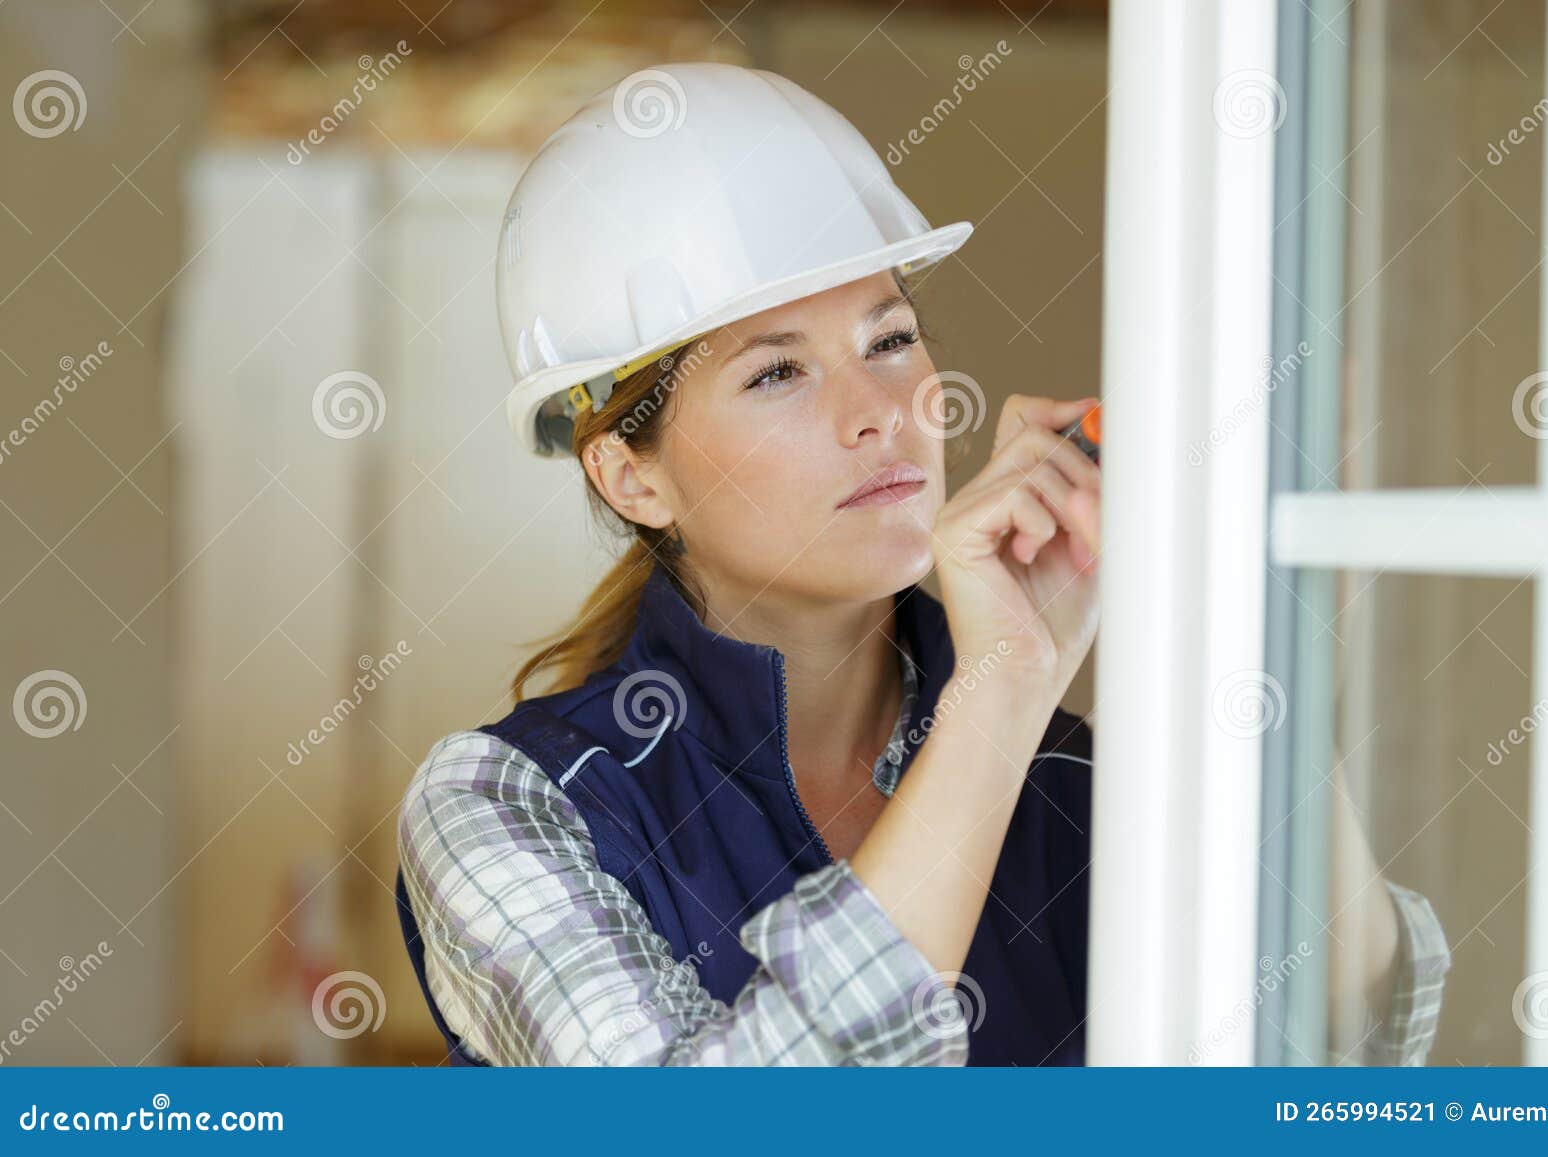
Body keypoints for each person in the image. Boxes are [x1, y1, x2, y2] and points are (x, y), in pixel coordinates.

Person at [394, 61, 1449, 1067]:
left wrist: (1277, 660)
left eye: (890, 339)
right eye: (776, 373)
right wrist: (1002, 693)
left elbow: (1346, 1058)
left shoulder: (1079, 784)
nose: (879, 413)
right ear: (632, 478)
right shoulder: (513, 805)